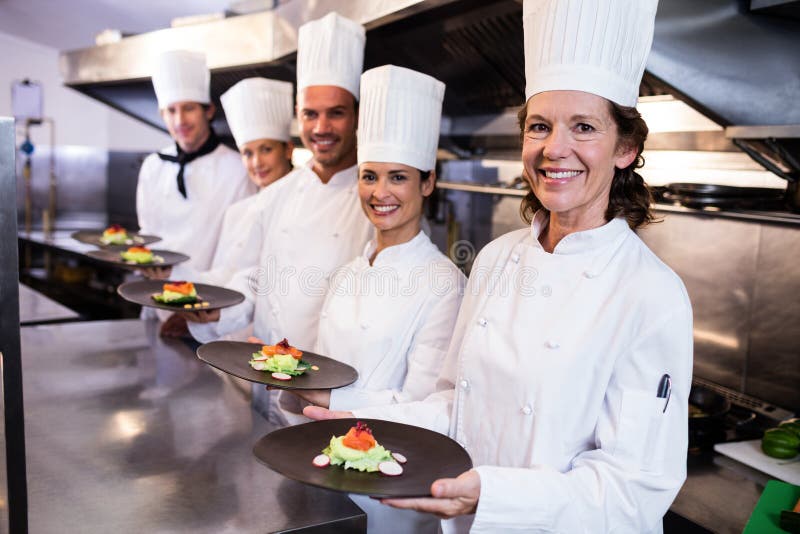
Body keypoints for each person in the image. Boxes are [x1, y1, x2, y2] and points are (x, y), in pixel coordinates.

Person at [305, 1, 694, 533]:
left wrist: (494, 494)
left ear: (625, 147)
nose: (555, 149)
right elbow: (454, 404)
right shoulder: (496, 259)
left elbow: (634, 492)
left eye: (583, 127)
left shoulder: (652, 293)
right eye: (540, 126)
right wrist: (357, 411)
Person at [283, 65, 465, 534]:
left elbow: (427, 406)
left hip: (390, 492)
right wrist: (287, 383)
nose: (380, 193)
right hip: (320, 469)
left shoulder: (443, 282)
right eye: (369, 176)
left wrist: (327, 397)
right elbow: (320, 370)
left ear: (427, 182)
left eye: (398, 178)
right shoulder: (347, 272)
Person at [185, 12, 373, 423]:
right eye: (310, 114)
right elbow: (255, 276)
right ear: (297, 117)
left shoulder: (376, 201)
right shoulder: (278, 196)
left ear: (357, 115)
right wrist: (218, 313)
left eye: (336, 113)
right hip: (269, 382)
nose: (321, 127)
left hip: (337, 397)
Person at [136, 50, 255, 335]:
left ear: (209, 110)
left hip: (208, 313)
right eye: (171, 110)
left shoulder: (237, 168)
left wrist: (194, 309)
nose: (180, 120)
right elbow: (146, 236)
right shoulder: (153, 166)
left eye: (188, 108)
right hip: (154, 305)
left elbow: (237, 256)